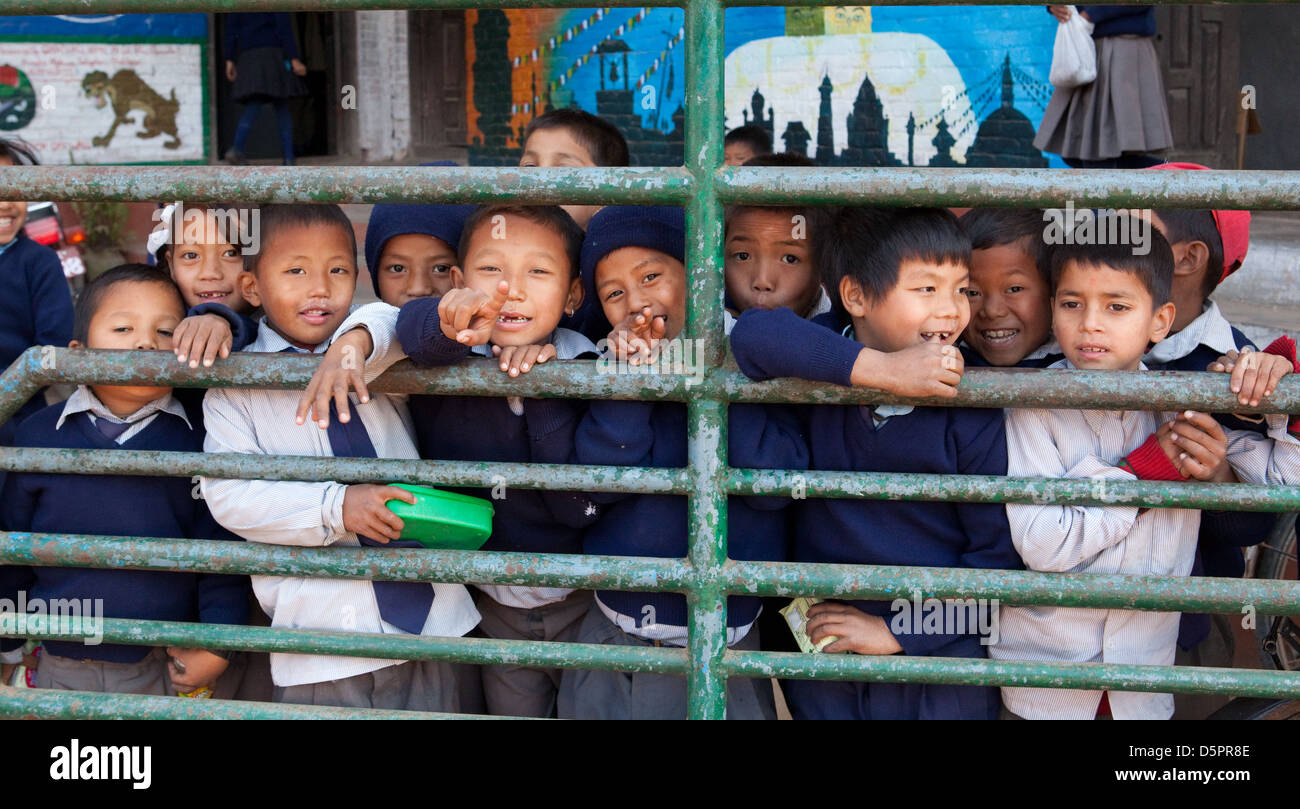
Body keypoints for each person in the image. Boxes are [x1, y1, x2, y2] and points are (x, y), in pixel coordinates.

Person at [731, 207, 1021, 720]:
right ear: (856, 297)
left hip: (937, 659)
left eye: (962, 289)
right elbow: (753, 335)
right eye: (926, 289)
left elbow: (996, 563)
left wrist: (895, 632)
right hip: (825, 643)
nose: (952, 310)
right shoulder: (822, 354)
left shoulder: (970, 404)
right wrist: (883, 372)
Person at [199, 204, 479, 709]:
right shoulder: (234, 386)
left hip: (434, 622)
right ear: (253, 288)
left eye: (338, 269)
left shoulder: (377, 348)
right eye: (296, 270)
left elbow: (396, 319)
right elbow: (228, 495)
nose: (319, 288)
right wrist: (336, 507)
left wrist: (352, 342)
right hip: (324, 636)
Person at [558, 205, 808, 720]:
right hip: (620, 631)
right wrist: (629, 384)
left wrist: (711, 376)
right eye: (614, 293)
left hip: (730, 639)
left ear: (696, 274)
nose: (638, 301)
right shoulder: (613, 363)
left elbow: (776, 485)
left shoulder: (753, 352)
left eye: (651, 276)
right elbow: (601, 483)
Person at [990, 225, 1234, 719]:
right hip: (1045, 686)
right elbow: (1043, 543)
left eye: (1117, 307)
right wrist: (1143, 476)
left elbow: (1277, 478)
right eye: (1071, 303)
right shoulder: (1032, 408)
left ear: (1159, 320)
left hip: (1143, 682)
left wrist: (1271, 393)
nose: (1090, 324)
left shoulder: (1183, 408)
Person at [383, 204, 598, 717]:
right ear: (456, 282)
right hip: (488, 601)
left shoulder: (587, 364)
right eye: (491, 269)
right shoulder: (447, 353)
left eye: (538, 271)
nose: (512, 289)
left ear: (573, 295)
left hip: (585, 598)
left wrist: (545, 390)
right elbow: (410, 327)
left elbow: (579, 504)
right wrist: (448, 319)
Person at [0, 265, 250, 695]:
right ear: (78, 352)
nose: (144, 343)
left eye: (167, 332)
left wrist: (218, 643)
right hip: (59, 659)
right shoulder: (37, 437)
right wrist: (7, 644)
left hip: (165, 660)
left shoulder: (202, 438)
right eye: (122, 328)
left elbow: (221, 553)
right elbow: (12, 549)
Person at [1137, 162, 1298, 717]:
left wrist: (1222, 476)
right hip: (1071, 622)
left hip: (1190, 623)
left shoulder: (1241, 368)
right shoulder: (1076, 336)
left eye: (1129, 226)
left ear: (1187, 257)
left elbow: (1257, 523)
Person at [0, 137, 75, 450]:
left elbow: (53, 343)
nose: (5, 203)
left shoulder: (40, 261)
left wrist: (10, 386)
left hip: (19, 409)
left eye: (14, 189)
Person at [1035, 5, 1172, 168]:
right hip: (1085, 45)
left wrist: (1091, 14)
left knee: (1096, 155)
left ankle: (1176, 175)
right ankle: (1174, 173)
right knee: (1074, 152)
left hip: (1120, 47)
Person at [724, 153, 830, 323]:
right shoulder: (708, 324)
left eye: (790, 259)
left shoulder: (847, 334)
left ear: (824, 265)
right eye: (743, 256)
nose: (762, 281)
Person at [957, 208, 1061, 367]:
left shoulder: (1075, 363)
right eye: (972, 292)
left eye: (1014, 289)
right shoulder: (941, 360)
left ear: (1053, 291)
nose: (992, 311)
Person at [222, 12, 307, 166]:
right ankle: (288, 157)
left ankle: (237, 148)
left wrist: (230, 59)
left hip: (249, 56)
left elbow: (232, 30)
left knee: (255, 103)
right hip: (272, 54)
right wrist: (294, 59)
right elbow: (284, 29)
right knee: (281, 104)